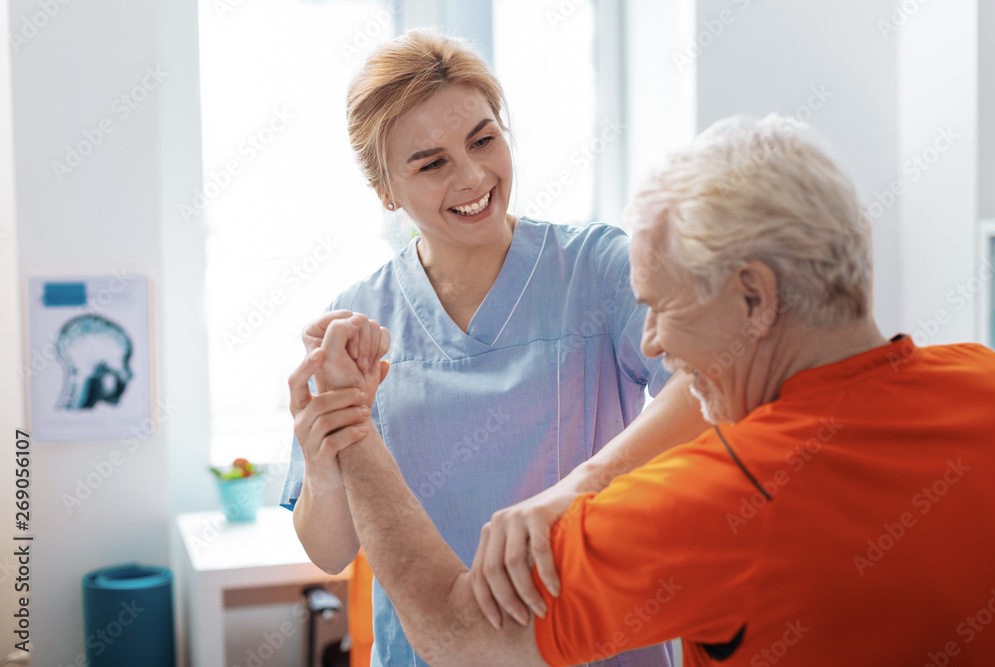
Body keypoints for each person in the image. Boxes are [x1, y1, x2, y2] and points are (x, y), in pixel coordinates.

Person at [290, 114, 995, 666]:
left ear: (754, 297)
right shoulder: (984, 380)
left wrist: (352, 427)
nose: (653, 341)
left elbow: (457, 633)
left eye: (662, 305)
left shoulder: (719, 497)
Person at [280, 29, 709, 667]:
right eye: (431, 163)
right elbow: (329, 551)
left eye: (484, 139)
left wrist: (577, 491)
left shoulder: (597, 270)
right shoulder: (361, 319)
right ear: (386, 190)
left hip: (596, 643)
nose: (475, 175)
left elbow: (711, 389)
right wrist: (324, 459)